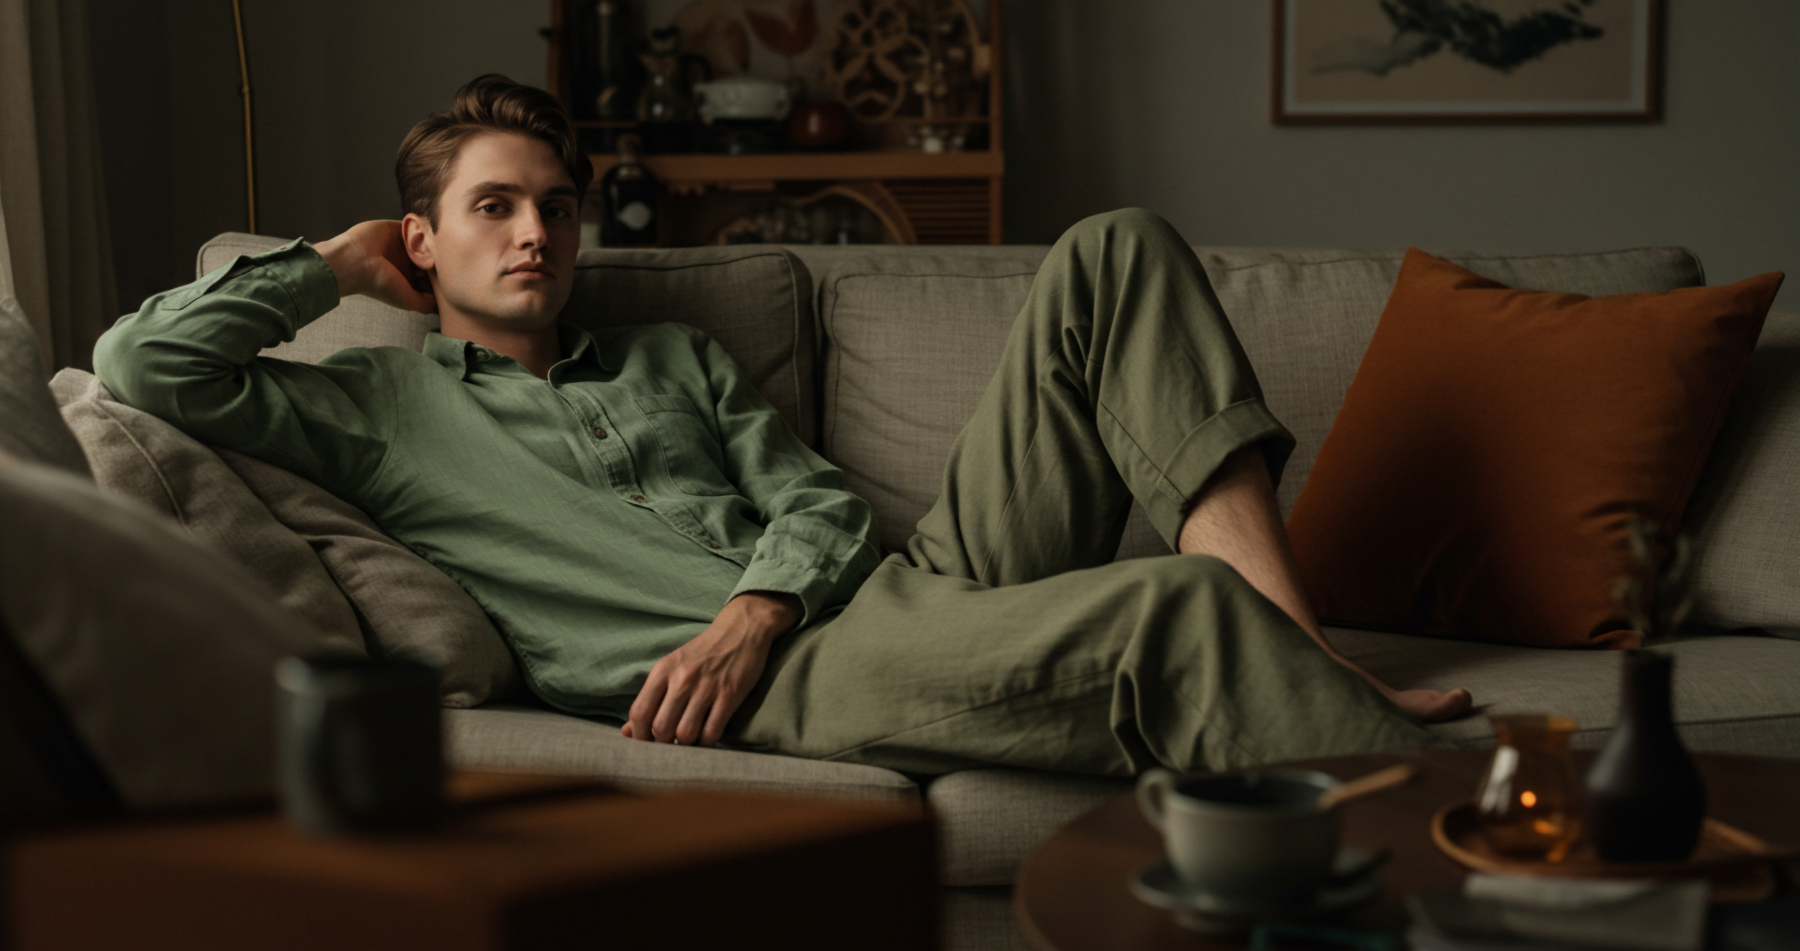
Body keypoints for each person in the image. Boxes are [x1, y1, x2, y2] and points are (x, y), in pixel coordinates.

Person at [95, 75, 1469, 778]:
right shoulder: (373, 409)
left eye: (557, 205)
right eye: (496, 207)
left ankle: (1300, 652)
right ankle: (1490, 846)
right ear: (423, 239)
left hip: (888, 592)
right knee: (1173, 613)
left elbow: (819, 505)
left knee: (1114, 250)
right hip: (799, 682)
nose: (537, 233)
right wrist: (331, 266)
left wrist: (757, 601)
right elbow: (143, 362)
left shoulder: (668, 354)